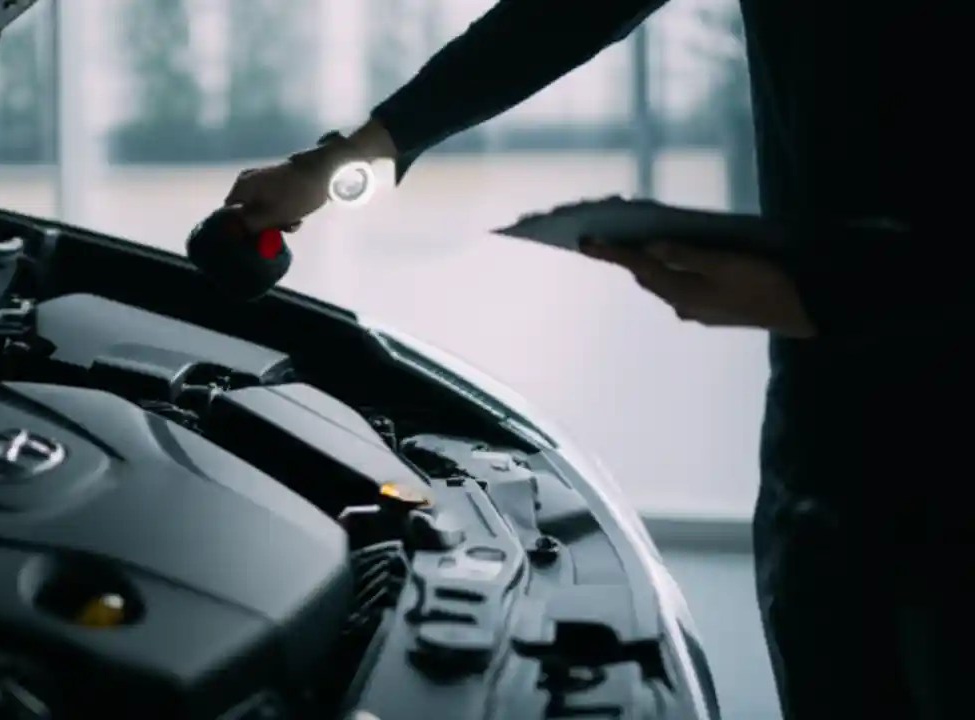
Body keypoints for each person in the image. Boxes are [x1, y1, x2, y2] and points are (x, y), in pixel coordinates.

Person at [223, 1, 970, 718]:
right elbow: (567, 11)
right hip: (824, 417)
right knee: (833, 648)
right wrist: (352, 154)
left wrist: (846, 295)